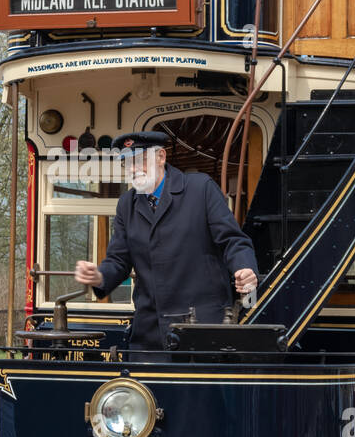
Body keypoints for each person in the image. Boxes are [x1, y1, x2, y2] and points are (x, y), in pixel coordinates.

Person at [74, 132, 259, 353]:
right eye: (126, 162)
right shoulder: (127, 204)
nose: (132, 169)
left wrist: (244, 268)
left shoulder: (201, 188)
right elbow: (119, 260)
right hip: (149, 332)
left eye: (139, 160)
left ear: (161, 157)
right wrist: (99, 277)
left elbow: (233, 241)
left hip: (202, 328)